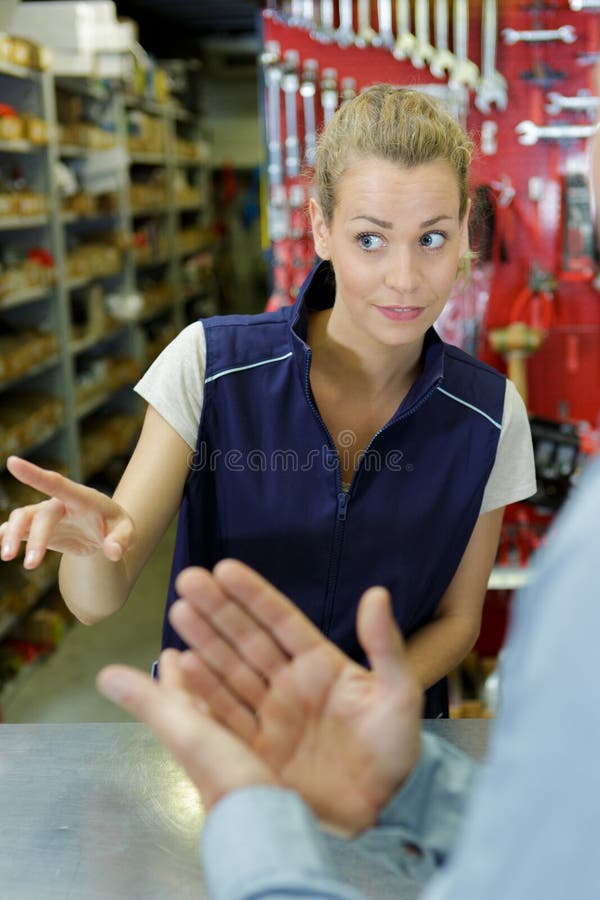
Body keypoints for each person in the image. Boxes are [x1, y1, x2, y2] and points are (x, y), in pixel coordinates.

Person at [0, 86, 535, 717]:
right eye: (370, 239)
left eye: (432, 238)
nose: (405, 277)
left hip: (387, 745)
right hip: (221, 742)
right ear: (320, 229)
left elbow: (457, 619)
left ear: (465, 234)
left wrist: (367, 699)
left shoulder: (490, 415)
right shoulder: (209, 367)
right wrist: (93, 550)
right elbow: (96, 601)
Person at [97, 451, 600, 900]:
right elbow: (561, 841)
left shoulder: (490, 414)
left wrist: (254, 828)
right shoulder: (208, 363)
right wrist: (418, 788)